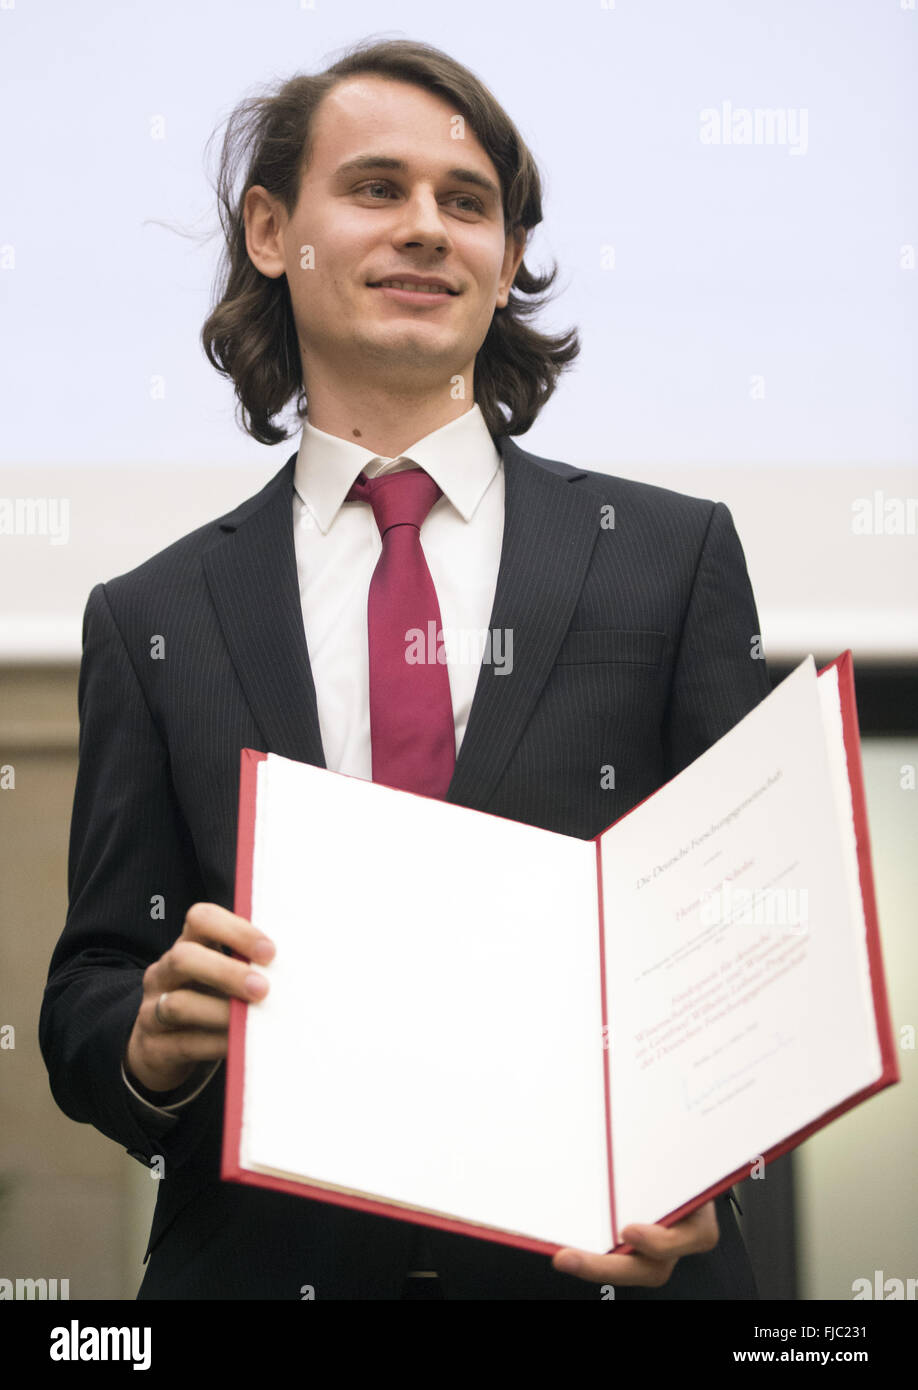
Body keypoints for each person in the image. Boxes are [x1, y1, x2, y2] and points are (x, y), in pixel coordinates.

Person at [40, 38, 770, 1300]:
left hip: (607, 1277)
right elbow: (91, 991)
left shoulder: (672, 558)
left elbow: (748, 945)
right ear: (274, 231)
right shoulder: (151, 613)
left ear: (505, 260)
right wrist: (152, 1039)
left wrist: (715, 1155)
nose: (428, 227)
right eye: (377, 189)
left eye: (467, 201)